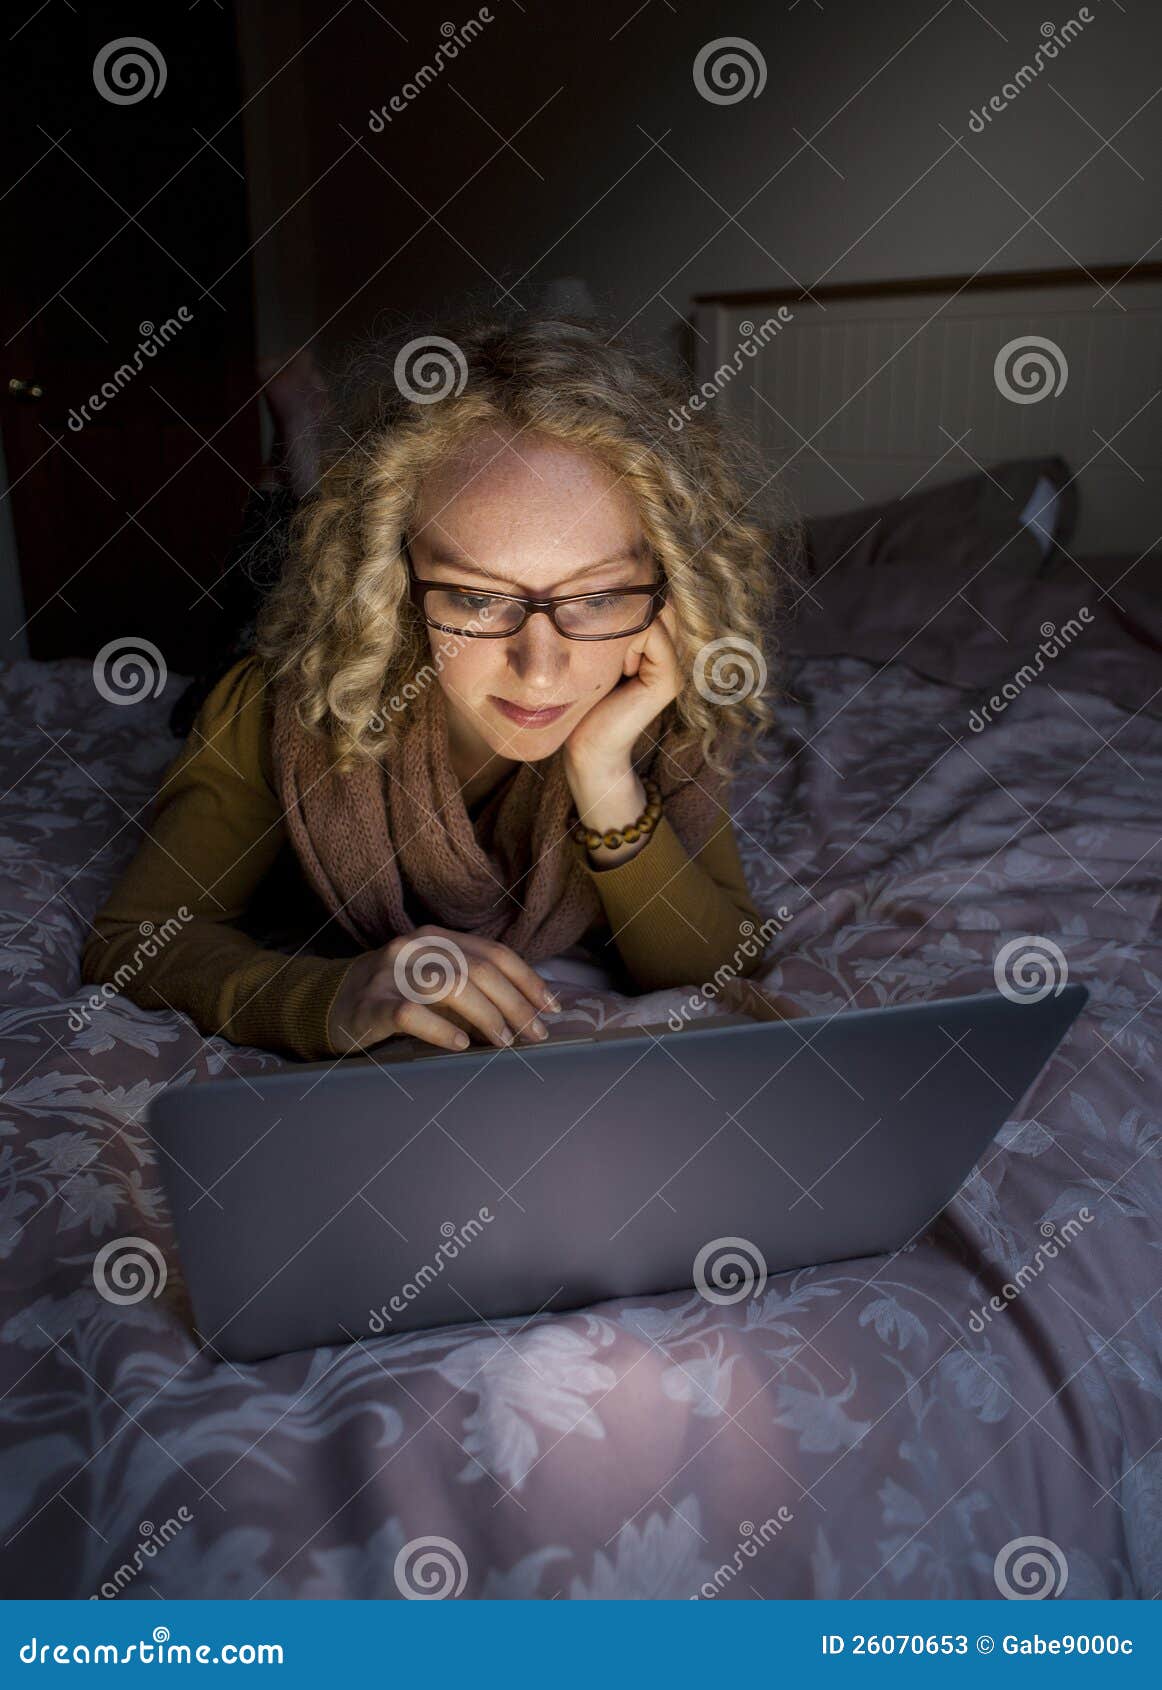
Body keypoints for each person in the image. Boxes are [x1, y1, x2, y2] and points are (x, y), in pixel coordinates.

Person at [81, 310, 795, 1061]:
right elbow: (130, 942)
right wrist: (332, 996)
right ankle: (296, 447)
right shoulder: (268, 707)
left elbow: (720, 966)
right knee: (257, 577)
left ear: (668, 583)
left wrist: (605, 774)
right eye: (477, 598)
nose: (543, 668)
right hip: (287, 636)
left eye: (596, 596)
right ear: (393, 582)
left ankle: (302, 462)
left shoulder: (657, 695)